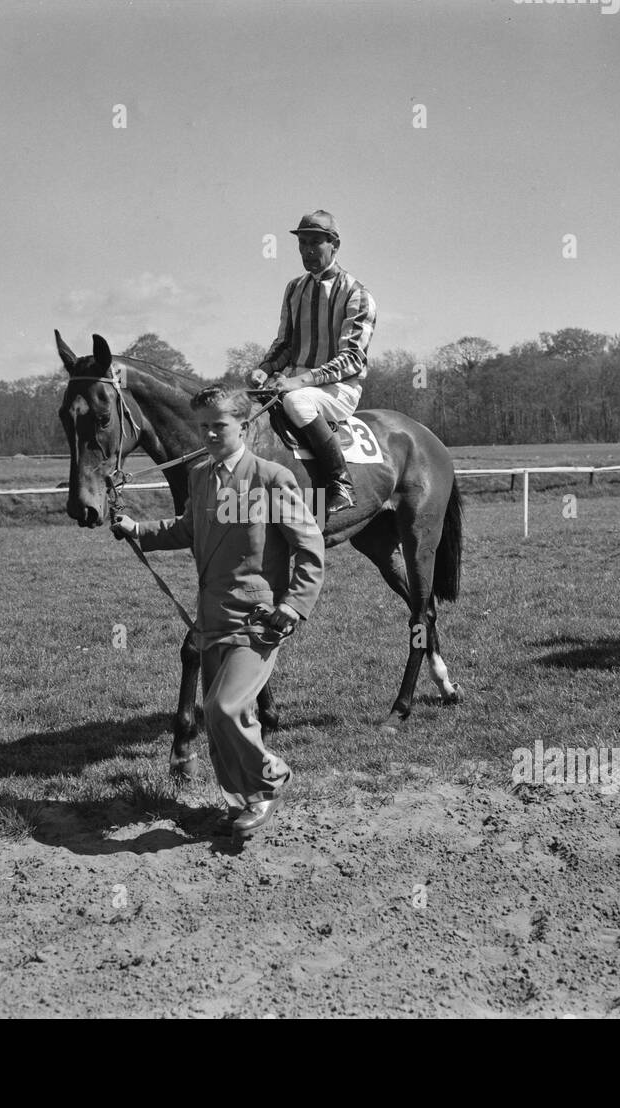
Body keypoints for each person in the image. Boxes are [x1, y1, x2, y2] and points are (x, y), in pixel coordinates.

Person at [110, 385, 325, 840]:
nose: (208, 433)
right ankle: (239, 802)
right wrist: (138, 529)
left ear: (244, 427)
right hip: (210, 617)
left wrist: (294, 605)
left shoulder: (271, 478)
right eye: (203, 426)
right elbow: (189, 528)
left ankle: (269, 781)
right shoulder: (201, 477)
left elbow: (310, 547)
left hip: (259, 619)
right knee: (218, 713)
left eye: (219, 426)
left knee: (225, 708)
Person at [248, 210, 378, 516]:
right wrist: (263, 368)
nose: (307, 250)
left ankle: (341, 484)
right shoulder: (294, 288)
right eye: (302, 242)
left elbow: (352, 359)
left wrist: (298, 382)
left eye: (315, 243)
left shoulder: (357, 294)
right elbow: (286, 343)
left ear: (335, 244)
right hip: (292, 382)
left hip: (339, 388)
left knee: (296, 403)